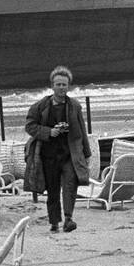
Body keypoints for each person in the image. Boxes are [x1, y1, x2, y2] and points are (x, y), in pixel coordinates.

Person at [25, 65, 93, 234]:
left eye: (64, 84)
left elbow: (82, 130)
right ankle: (54, 222)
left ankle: (69, 218)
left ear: (69, 86)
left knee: (71, 184)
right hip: (48, 156)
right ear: (52, 86)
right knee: (53, 189)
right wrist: (49, 132)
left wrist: (87, 153)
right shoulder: (39, 106)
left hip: (69, 154)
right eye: (58, 84)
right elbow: (30, 126)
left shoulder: (75, 106)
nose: (61, 87)